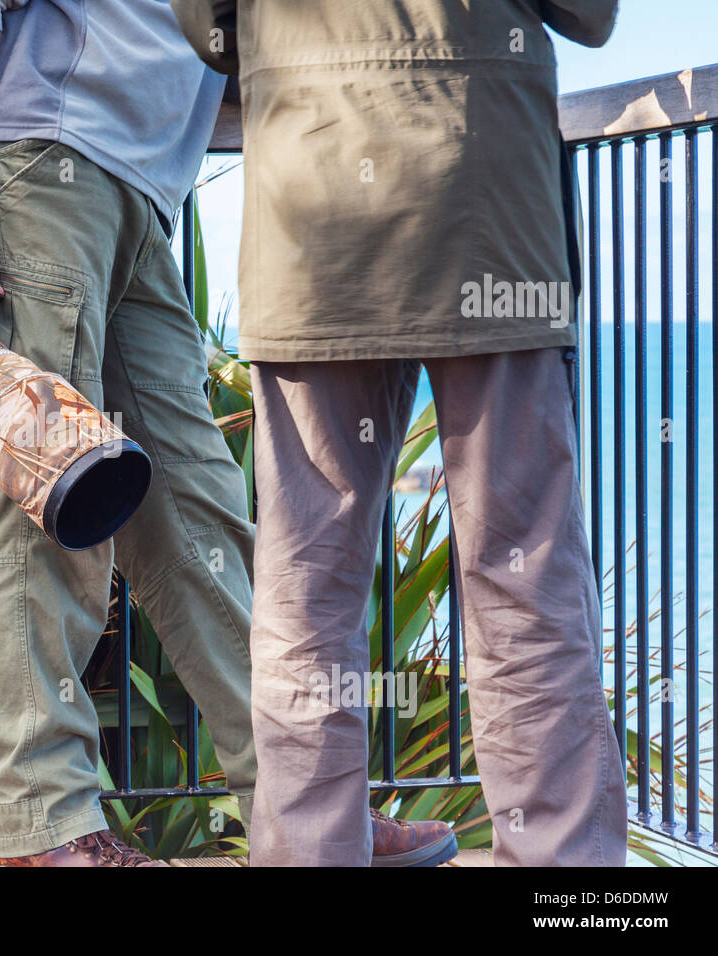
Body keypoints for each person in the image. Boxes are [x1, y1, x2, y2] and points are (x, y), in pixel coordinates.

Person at [0, 0, 455, 866]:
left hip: (135, 198)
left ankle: (305, 810)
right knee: (46, 489)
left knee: (197, 502)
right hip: (38, 165)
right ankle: (44, 831)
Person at [184, 0, 628, 865]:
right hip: (484, 206)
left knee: (305, 585)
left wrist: (296, 55)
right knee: (525, 580)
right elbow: (592, 13)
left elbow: (203, 22)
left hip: (309, 213)